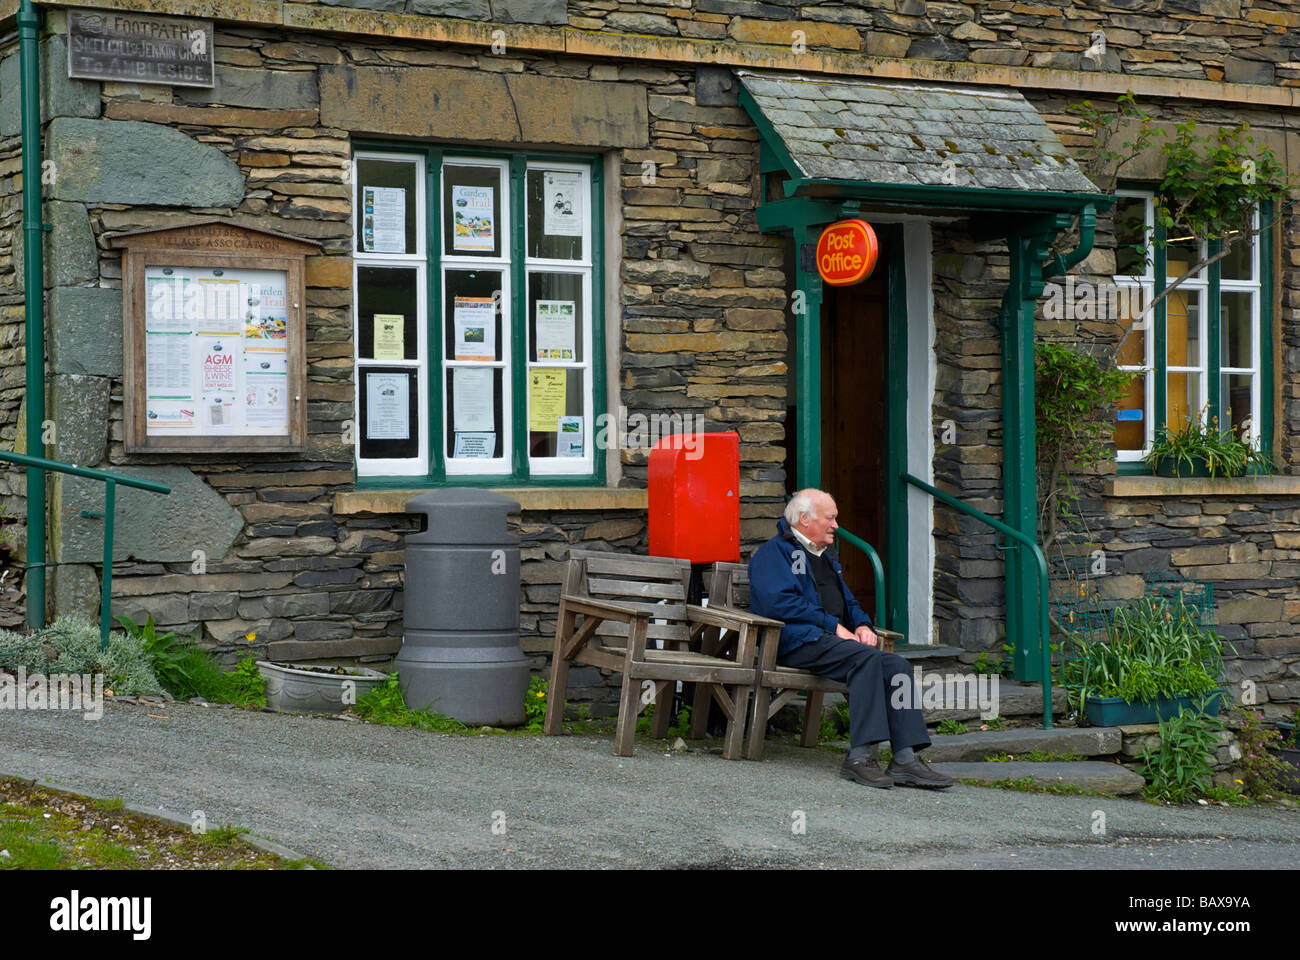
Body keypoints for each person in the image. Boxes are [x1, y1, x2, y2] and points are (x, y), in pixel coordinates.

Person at [747, 489, 952, 790]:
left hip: (828, 642)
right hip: (794, 641)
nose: (836, 526)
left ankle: (905, 759)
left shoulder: (825, 558)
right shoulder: (773, 554)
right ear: (804, 519)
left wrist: (862, 625)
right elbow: (776, 603)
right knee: (865, 658)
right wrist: (832, 625)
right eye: (830, 518)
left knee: (896, 665)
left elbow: (849, 604)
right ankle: (859, 758)